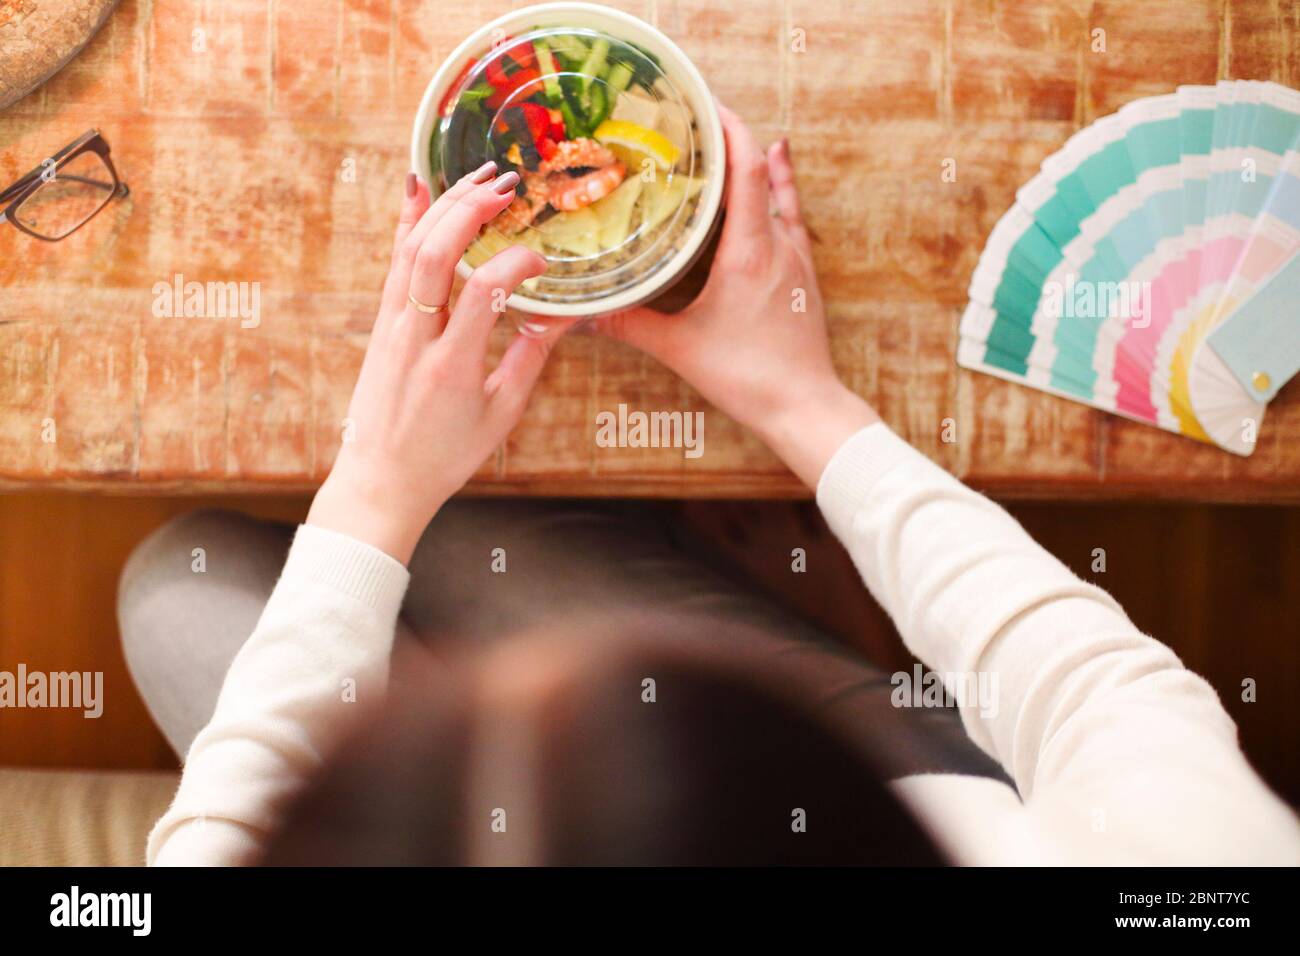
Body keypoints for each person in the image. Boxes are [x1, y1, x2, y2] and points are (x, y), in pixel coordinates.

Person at [122, 104, 1300, 866]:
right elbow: (1102, 698)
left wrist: (376, 490)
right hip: (906, 769)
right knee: (467, 534)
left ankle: (776, 592)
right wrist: (801, 402)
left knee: (178, 584)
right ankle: (816, 620)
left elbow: (222, 838)